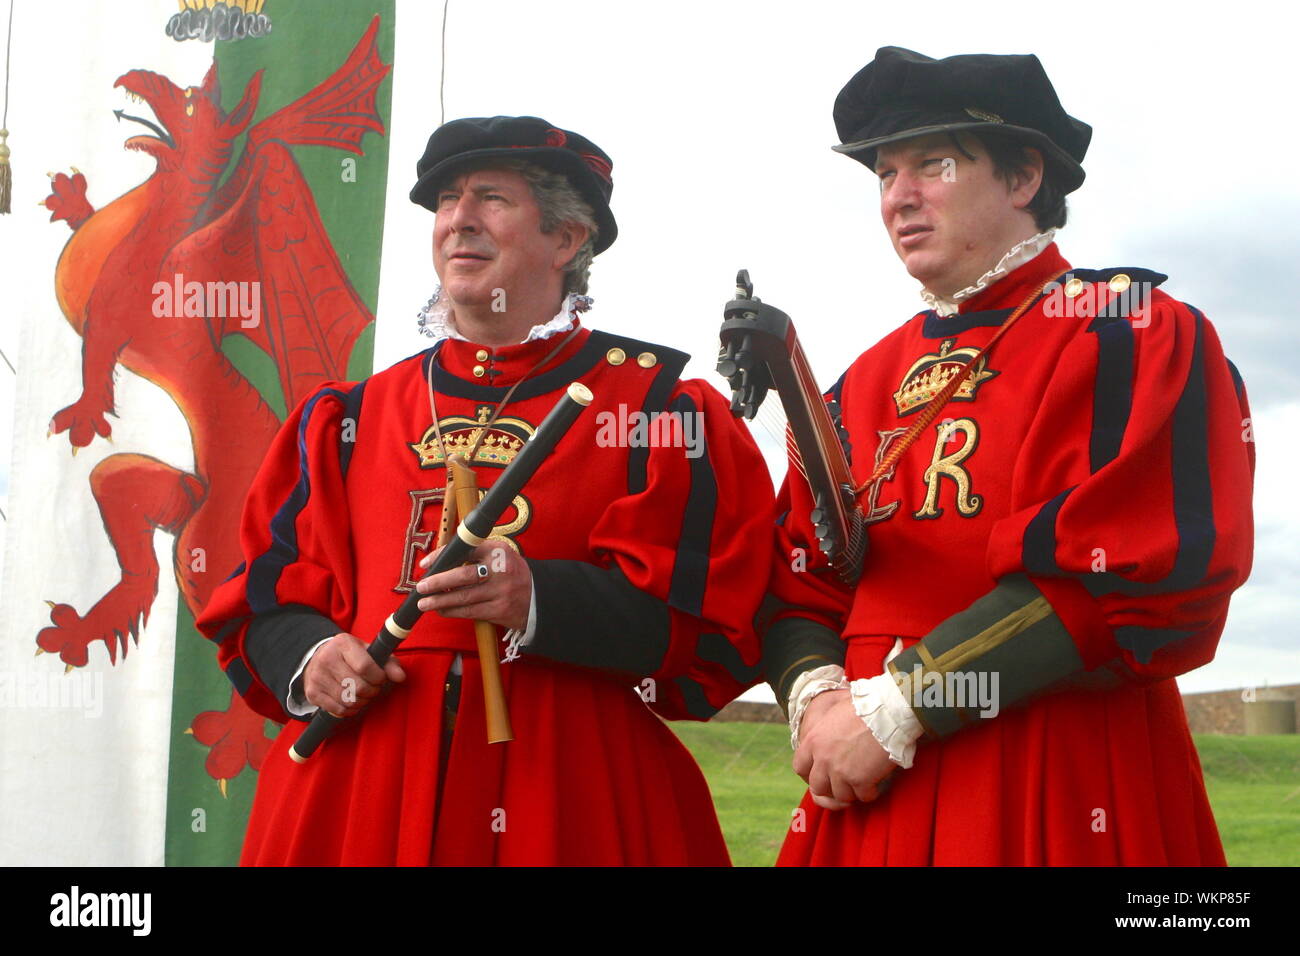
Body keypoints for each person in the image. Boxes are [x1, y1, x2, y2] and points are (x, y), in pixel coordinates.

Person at [197, 115, 774, 865]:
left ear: (567, 239)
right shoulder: (346, 418)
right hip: (358, 796)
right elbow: (261, 597)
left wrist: (538, 598)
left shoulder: (658, 408)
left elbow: (712, 625)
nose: (459, 219)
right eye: (447, 201)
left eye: (491, 198)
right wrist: (314, 658)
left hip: (566, 799)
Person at [762, 48, 1255, 865]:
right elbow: (796, 577)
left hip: (1050, 770)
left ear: (1024, 177)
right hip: (862, 782)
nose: (899, 196)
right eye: (885, 174)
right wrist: (818, 704)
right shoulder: (855, 383)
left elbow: (1130, 575)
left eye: (933, 164)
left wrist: (902, 709)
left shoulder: (1129, 331)